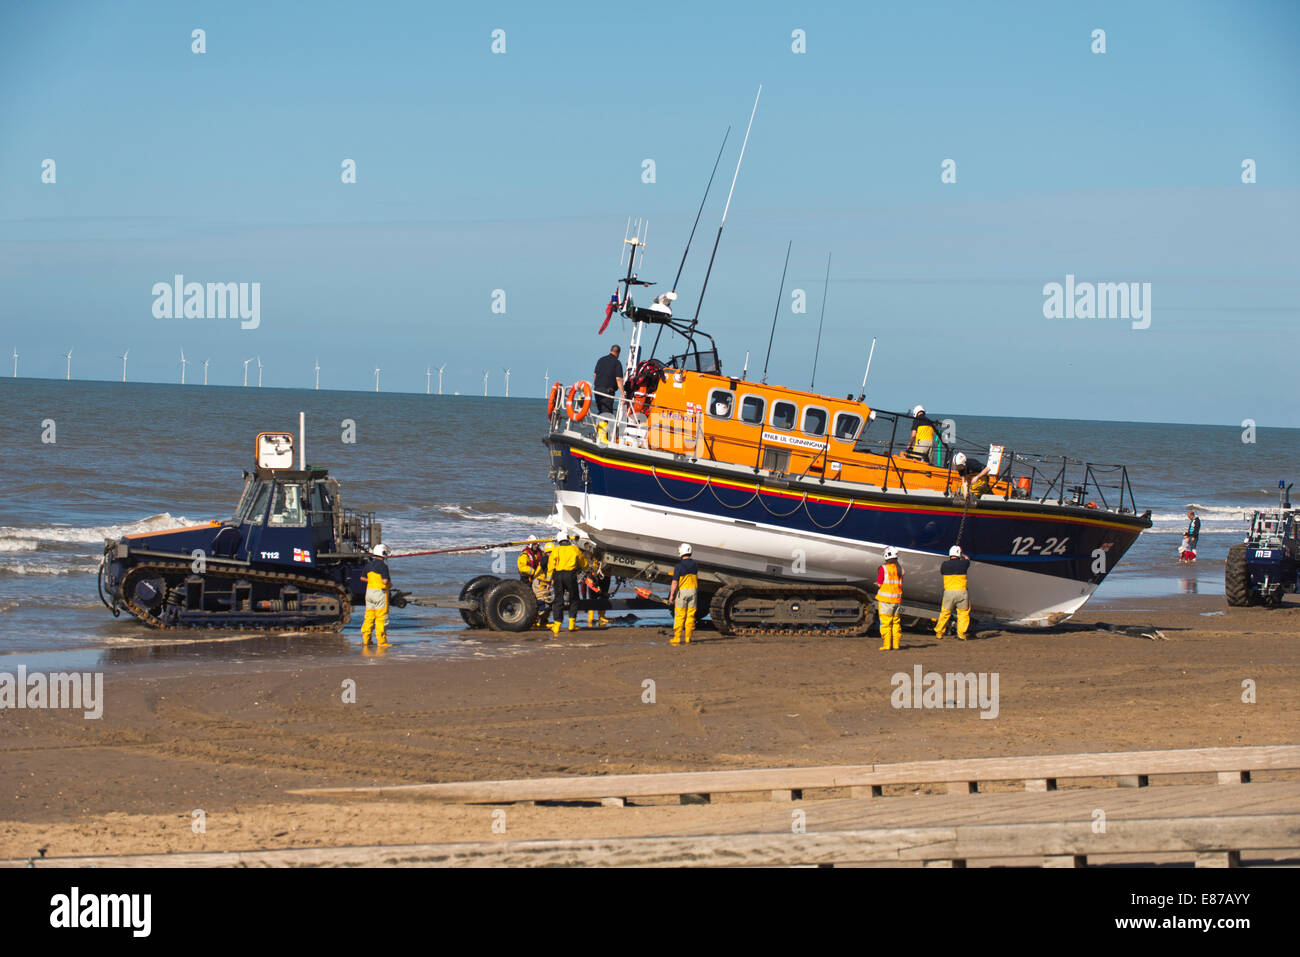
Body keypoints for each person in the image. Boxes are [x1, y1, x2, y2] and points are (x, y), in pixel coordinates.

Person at [547, 531, 587, 635]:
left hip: (558, 576)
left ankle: (556, 626)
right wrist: (587, 568)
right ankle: (571, 624)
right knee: (574, 599)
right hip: (570, 575)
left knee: (558, 600)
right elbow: (582, 562)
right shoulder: (574, 549)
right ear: (567, 539)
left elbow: (550, 566)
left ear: (559, 541)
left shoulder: (555, 550)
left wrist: (548, 580)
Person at [934, 545, 972, 640]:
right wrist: (962, 554)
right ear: (958, 554)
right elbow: (968, 559)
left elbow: (941, 571)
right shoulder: (964, 563)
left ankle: (939, 633)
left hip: (949, 593)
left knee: (945, 613)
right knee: (963, 614)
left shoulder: (944, 564)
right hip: (961, 592)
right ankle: (961, 635)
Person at [360, 543, 392, 647]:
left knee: (369, 617)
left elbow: (362, 578)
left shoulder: (368, 565)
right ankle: (382, 642)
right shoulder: (383, 566)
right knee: (381, 617)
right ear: (384, 553)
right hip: (379, 593)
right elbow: (384, 581)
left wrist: (373, 581)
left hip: (369, 593)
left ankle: (366, 640)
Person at [668, 543, 699, 645]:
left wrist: (671, 595)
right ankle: (687, 638)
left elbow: (675, 582)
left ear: (681, 552)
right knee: (691, 615)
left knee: (680, 615)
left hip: (683, 592)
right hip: (693, 592)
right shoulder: (695, 564)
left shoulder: (679, 566)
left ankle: (677, 638)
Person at [517, 540, 552, 626]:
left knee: (541, 599)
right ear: (530, 544)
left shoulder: (540, 553)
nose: (536, 546)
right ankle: (534, 620)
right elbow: (522, 567)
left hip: (537, 579)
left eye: (537, 544)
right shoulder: (524, 555)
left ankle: (543, 620)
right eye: (535, 544)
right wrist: (533, 571)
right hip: (527, 580)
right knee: (531, 601)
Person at [876, 546, 904, 651]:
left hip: (885, 601)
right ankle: (896, 645)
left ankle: (887, 645)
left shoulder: (883, 568)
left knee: (886, 623)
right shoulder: (900, 569)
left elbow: (880, 583)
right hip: (897, 600)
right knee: (896, 623)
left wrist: (878, 584)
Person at [580, 547, 611, 628]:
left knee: (604, 595)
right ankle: (591, 617)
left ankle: (601, 617)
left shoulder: (607, 549)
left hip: (605, 574)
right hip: (593, 575)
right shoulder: (587, 552)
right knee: (593, 597)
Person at [593, 345, 624, 416]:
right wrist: (622, 394)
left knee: (601, 411)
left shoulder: (601, 360)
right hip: (607, 392)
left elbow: (595, 375)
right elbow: (618, 379)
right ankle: (603, 426)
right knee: (607, 414)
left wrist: (597, 385)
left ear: (611, 350)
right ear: (618, 353)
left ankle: (600, 426)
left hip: (597, 390)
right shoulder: (617, 363)